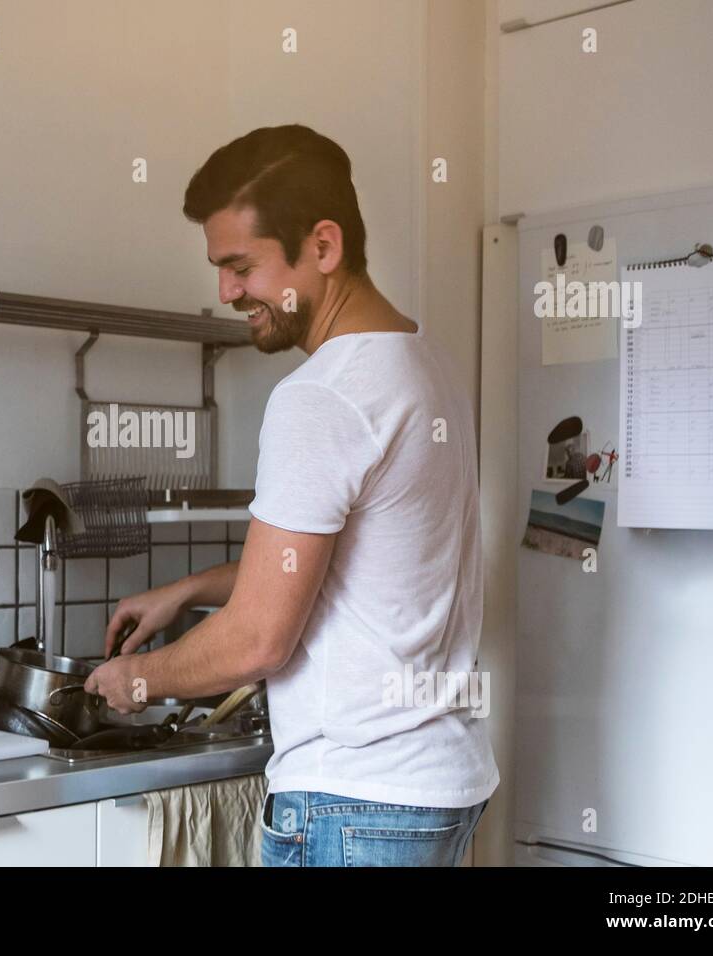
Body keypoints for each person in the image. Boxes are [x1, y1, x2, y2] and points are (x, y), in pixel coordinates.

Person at [83, 125, 499, 867]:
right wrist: (189, 589)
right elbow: (354, 572)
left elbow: (257, 640)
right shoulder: (424, 365)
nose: (227, 292)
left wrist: (134, 677)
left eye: (242, 265)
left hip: (353, 800)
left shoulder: (322, 398)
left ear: (324, 247)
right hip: (437, 787)